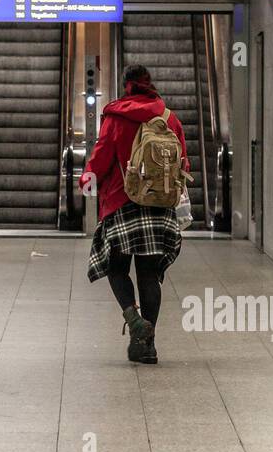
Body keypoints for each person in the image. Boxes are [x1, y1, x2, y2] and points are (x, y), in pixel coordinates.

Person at [80, 64, 190, 364]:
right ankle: (148, 346)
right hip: (159, 207)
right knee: (149, 275)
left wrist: (86, 179)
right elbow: (184, 165)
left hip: (121, 202)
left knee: (116, 268)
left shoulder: (116, 117)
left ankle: (134, 318)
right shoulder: (168, 118)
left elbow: (101, 159)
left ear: (126, 85)